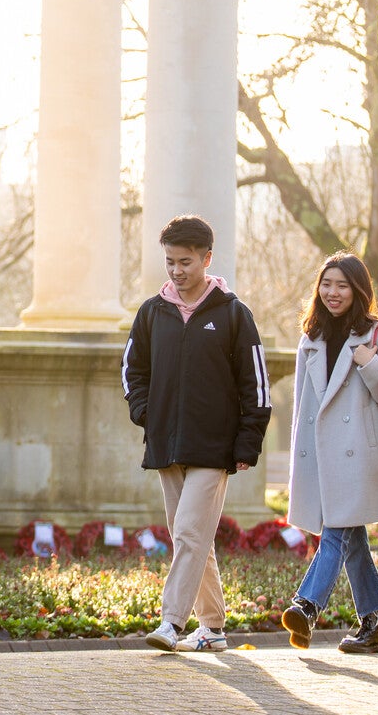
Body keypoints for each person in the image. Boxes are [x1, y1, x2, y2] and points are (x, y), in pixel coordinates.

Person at [123, 215, 272, 653]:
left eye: (185, 261)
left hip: (214, 445)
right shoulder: (153, 312)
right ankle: (213, 627)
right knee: (191, 535)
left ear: (207, 258)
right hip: (167, 442)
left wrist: (248, 440)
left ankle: (171, 622)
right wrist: (146, 413)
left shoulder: (232, 314)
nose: (176, 271)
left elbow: (256, 384)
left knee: (189, 531)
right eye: (170, 261)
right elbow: (133, 369)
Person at [281, 252, 378, 653]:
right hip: (322, 455)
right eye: (326, 284)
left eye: (342, 285)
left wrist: (370, 364)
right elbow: (304, 406)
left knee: (336, 531)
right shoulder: (311, 339)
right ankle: (373, 627)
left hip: (359, 456)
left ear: (359, 291)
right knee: (352, 537)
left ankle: (307, 604)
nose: (332, 293)